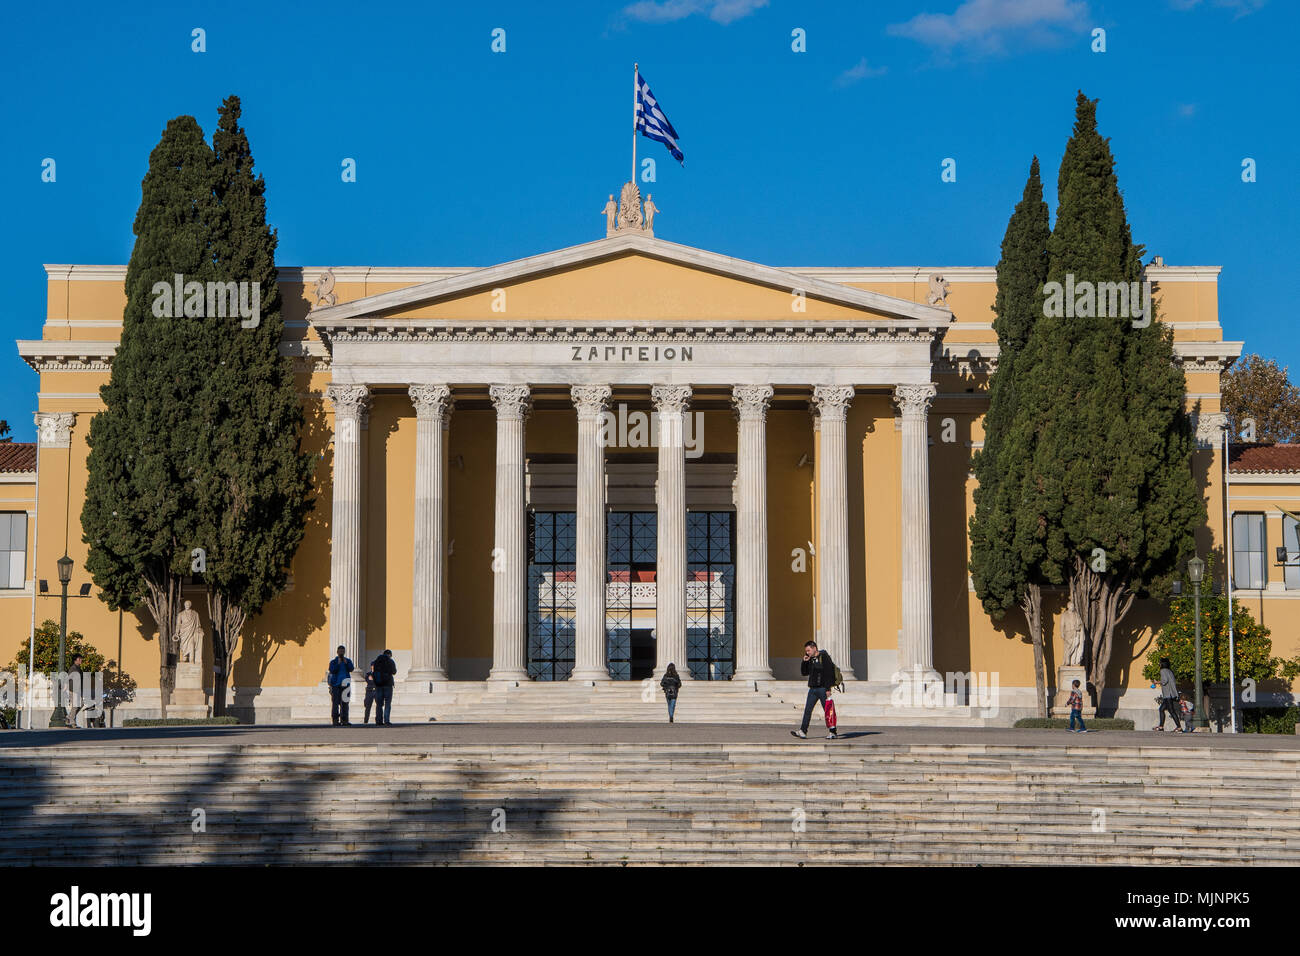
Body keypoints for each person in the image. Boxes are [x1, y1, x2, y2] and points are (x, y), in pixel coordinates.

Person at [792, 640, 838, 739]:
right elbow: (804, 673)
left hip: (822, 689)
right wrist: (804, 662)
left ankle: (833, 732)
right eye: (806, 651)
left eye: (808, 650)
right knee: (807, 710)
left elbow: (829, 673)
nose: (807, 652)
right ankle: (803, 731)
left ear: (814, 648)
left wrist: (828, 688)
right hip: (812, 689)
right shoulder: (810, 659)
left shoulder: (824, 657)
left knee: (828, 710)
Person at [327, 645, 354, 726]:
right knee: (335, 703)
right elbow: (332, 670)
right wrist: (338, 664)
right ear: (337, 652)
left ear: (344, 652)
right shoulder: (333, 662)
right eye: (340, 651)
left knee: (345, 703)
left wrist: (346, 663)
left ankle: (345, 720)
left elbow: (351, 669)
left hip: (346, 684)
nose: (341, 653)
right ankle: (335, 720)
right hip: (336, 684)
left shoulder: (348, 661)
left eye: (343, 651)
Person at [372, 649, 397, 726]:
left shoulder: (377, 661)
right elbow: (394, 672)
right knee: (387, 703)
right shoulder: (390, 661)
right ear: (389, 654)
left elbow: (373, 671)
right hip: (388, 684)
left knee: (379, 704)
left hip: (379, 685)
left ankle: (378, 720)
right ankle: (386, 720)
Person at [1157, 657, 1181, 731]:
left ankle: (1179, 727)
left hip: (1168, 694)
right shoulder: (1169, 671)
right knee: (1161, 709)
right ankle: (1161, 726)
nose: (1159, 664)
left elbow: (1164, 681)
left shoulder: (1163, 670)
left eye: (1160, 662)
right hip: (1170, 694)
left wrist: (1157, 682)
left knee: (1171, 710)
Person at [68, 654, 84, 729]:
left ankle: (69, 717)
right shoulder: (73, 668)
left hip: (77, 690)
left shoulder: (78, 668)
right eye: (79, 659)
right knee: (75, 705)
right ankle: (72, 722)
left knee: (81, 704)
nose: (81, 660)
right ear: (76, 660)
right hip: (73, 689)